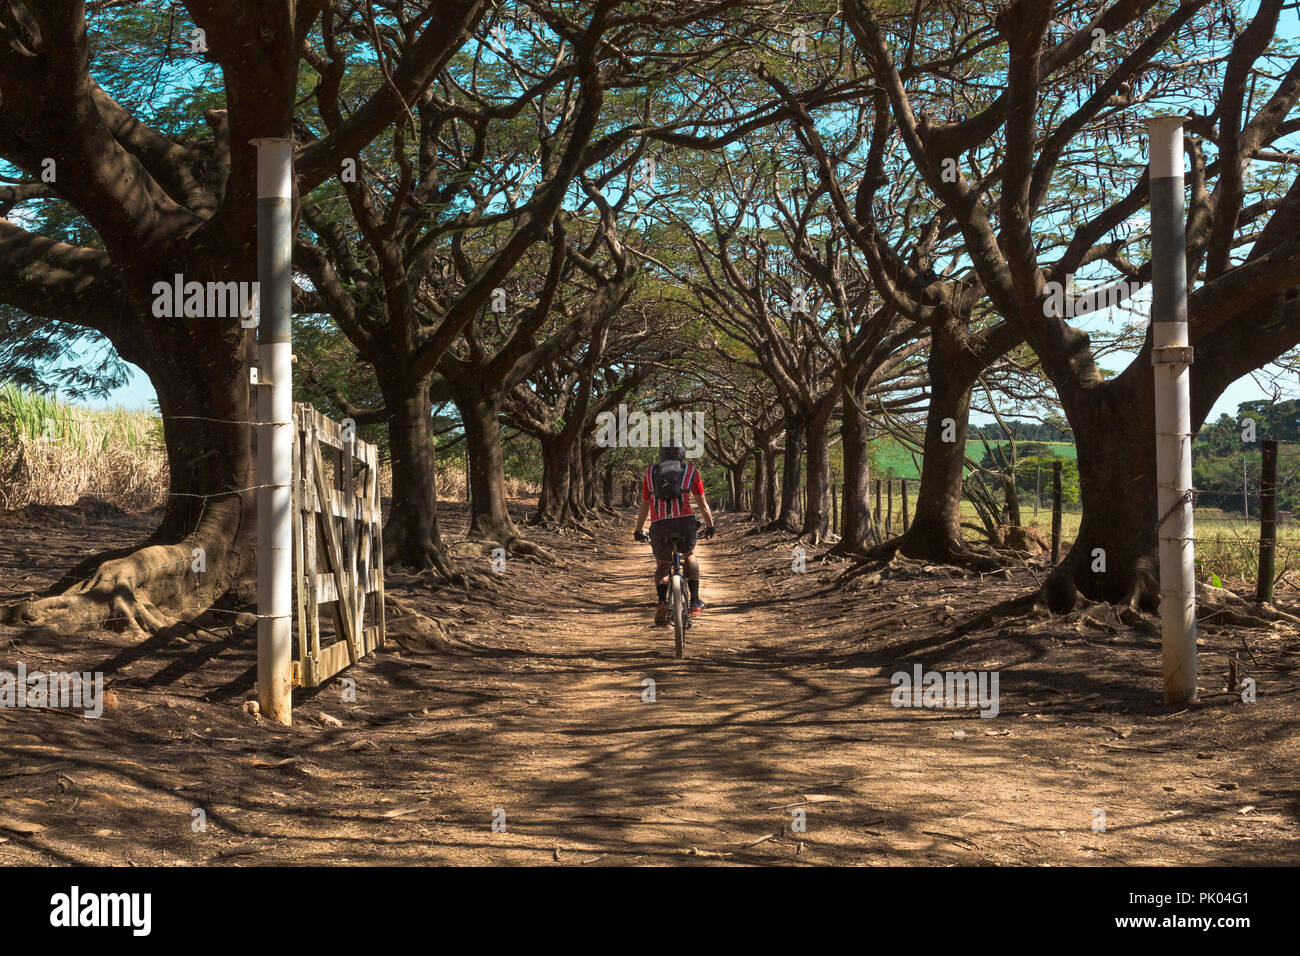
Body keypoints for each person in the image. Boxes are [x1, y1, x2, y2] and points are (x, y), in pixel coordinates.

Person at [633, 440, 715, 624]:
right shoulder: (690, 471)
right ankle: (694, 602)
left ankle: (662, 602)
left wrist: (638, 529)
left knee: (663, 564)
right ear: (682, 453)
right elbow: (702, 503)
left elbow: (645, 505)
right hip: (685, 523)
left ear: (661, 454)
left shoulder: (650, 472)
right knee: (689, 555)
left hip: (660, 525)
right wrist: (710, 526)